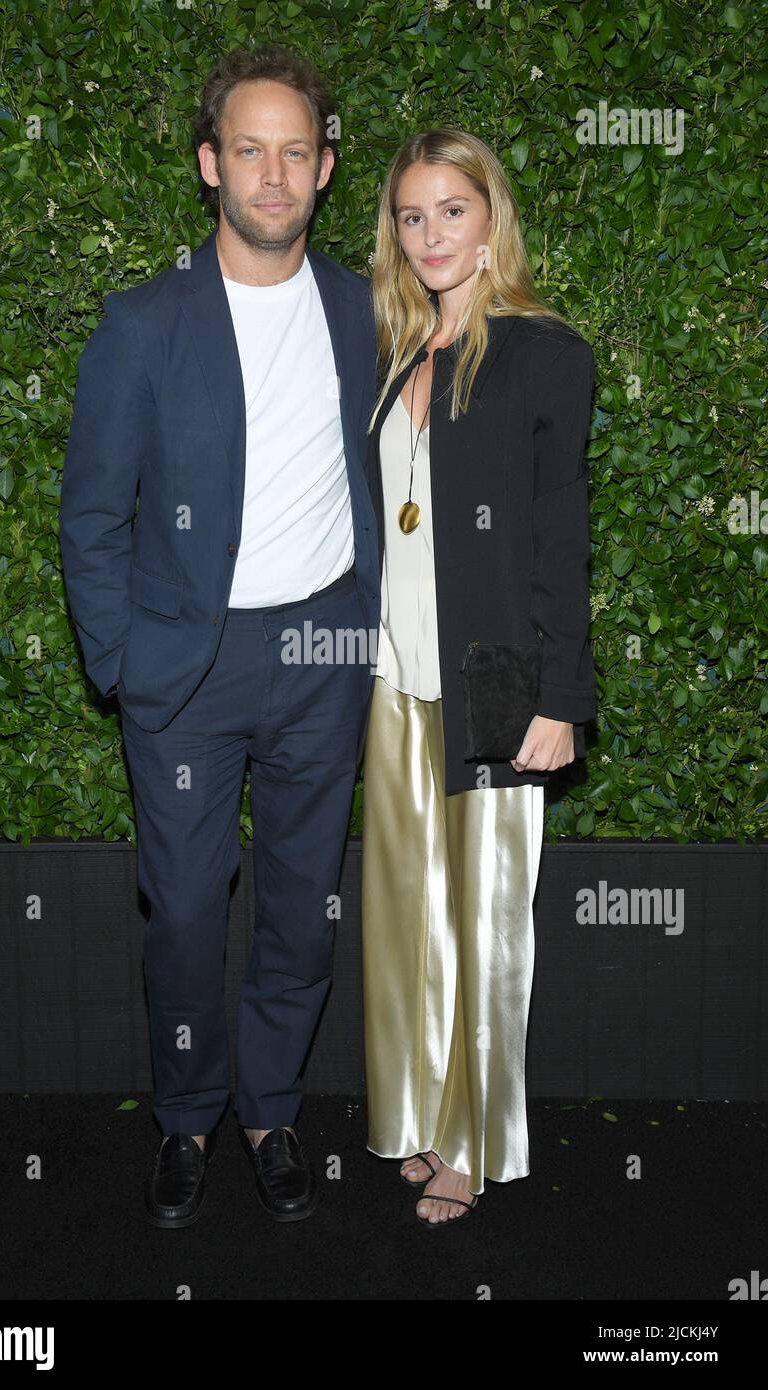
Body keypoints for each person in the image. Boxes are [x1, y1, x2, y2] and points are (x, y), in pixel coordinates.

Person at [59, 45, 380, 1227]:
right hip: (184, 669)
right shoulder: (143, 325)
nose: (273, 171)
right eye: (248, 148)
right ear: (210, 165)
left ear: (325, 168)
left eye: (295, 149)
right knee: (188, 908)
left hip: (324, 656)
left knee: (302, 904)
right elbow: (91, 512)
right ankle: (187, 1115)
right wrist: (123, 662)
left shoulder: (366, 309)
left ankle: (271, 1107)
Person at [360, 128, 597, 1227]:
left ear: (490, 216)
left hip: (497, 680)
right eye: (411, 216)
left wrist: (561, 696)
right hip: (395, 683)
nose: (430, 234)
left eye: (451, 210)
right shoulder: (401, 352)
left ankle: (474, 1141)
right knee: (410, 916)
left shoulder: (544, 352)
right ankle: (415, 1109)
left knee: (489, 919)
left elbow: (560, 538)